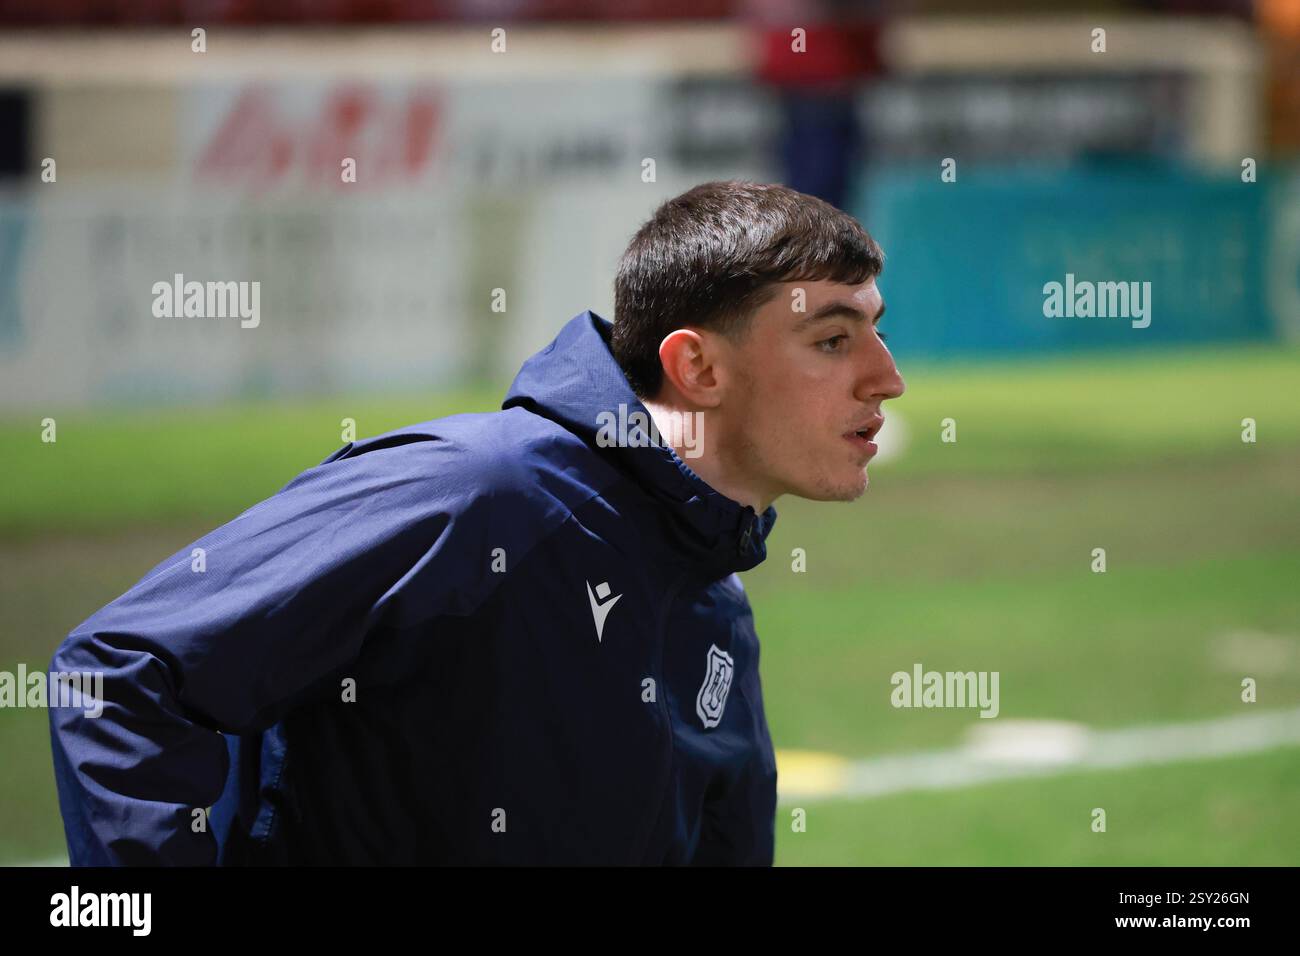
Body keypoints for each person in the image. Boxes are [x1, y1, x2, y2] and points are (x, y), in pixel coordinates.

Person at [48, 180, 905, 865]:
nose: (887, 378)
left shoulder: (715, 602)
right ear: (697, 366)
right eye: (833, 340)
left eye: (876, 330)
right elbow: (119, 672)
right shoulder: (480, 494)